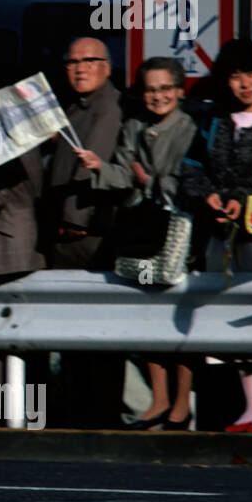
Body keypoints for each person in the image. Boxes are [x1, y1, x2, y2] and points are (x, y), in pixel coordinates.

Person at [179, 39, 252, 433]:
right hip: (221, 232)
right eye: (234, 76)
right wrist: (206, 195)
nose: (244, 84)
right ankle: (249, 406)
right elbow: (191, 166)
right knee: (230, 318)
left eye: (250, 74)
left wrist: (241, 200)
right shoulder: (213, 120)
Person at [75, 57, 196, 430]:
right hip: (141, 232)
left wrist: (150, 182)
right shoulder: (134, 125)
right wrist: (99, 167)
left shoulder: (190, 128)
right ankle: (158, 399)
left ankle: (181, 402)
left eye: (164, 89)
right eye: (150, 89)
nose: (157, 96)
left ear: (179, 91)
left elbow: (187, 180)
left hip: (179, 233)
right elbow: (124, 172)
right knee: (149, 315)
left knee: (180, 322)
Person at [42, 37, 123, 429]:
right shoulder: (73, 106)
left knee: (96, 334)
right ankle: (79, 410)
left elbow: (97, 169)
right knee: (75, 334)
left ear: (106, 66)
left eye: (88, 60)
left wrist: (74, 224)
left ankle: (97, 414)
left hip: (86, 236)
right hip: (66, 236)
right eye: (71, 61)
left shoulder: (108, 107)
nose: (79, 68)